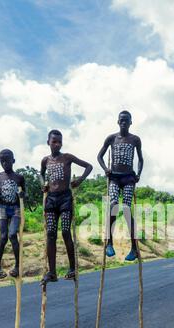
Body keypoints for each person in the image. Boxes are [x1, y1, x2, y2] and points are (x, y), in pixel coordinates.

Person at [40, 129, 93, 284]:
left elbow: (88, 166)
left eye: (59, 142)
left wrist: (80, 180)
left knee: (65, 231)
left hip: (65, 199)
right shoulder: (45, 160)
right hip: (50, 200)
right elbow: (41, 174)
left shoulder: (67, 157)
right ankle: (52, 273)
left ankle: (72, 269)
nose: (57, 144)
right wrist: (43, 184)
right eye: (54, 141)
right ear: (48, 142)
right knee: (50, 233)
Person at [97, 111, 144, 261]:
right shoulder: (111, 138)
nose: (124, 122)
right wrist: (106, 169)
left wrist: (139, 174)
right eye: (121, 120)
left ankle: (134, 249)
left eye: (127, 120)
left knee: (126, 210)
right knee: (113, 206)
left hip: (129, 178)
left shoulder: (135, 139)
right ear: (118, 121)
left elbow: (141, 159)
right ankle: (109, 243)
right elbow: (99, 156)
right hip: (114, 178)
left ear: (131, 122)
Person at [0, 149, 25, 280]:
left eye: (7, 160)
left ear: (13, 161)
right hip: (3, 208)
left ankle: (17, 266)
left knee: (12, 235)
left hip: (16, 208)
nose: (5, 163)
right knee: (3, 236)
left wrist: (23, 195)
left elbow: (25, 193)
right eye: (2, 161)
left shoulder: (19, 177)